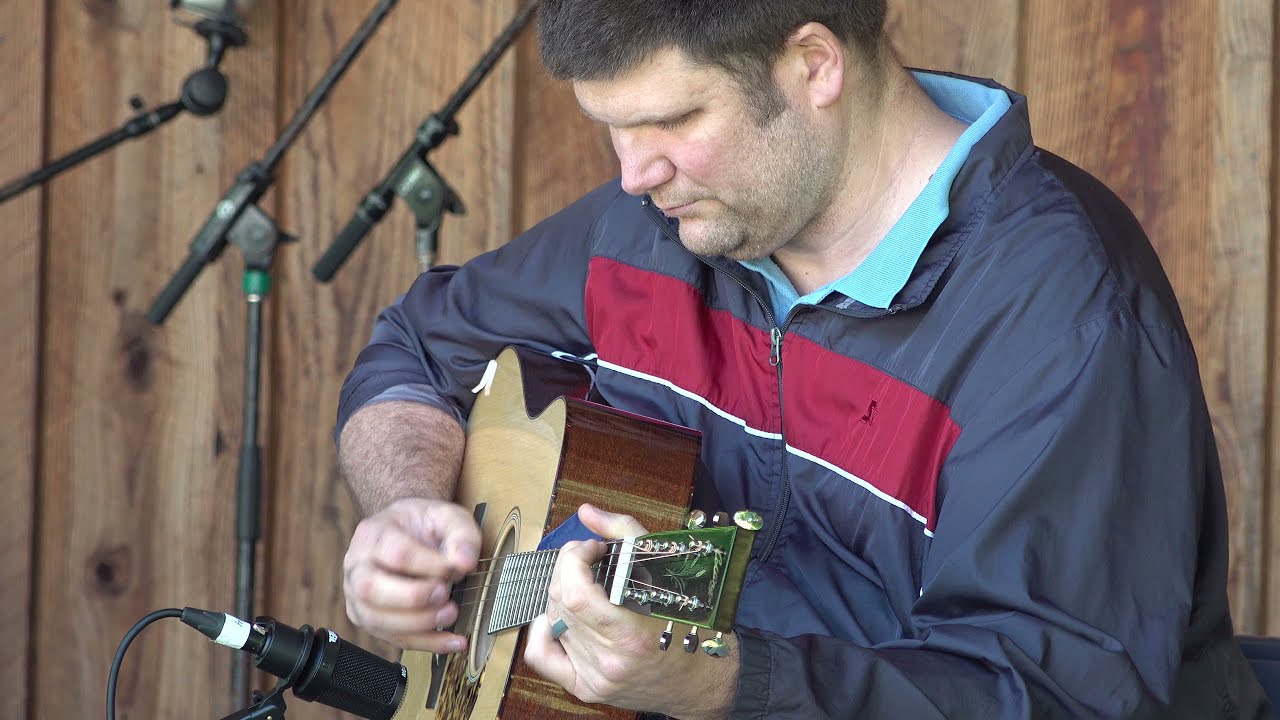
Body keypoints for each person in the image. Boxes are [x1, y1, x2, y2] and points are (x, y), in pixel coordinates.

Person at [334, 1, 1270, 717]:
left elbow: (1054, 694)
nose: (632, 173)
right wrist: (408, 504)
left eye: (675, 118)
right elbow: (420, 346)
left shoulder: (1060, 317)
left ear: (813, 65)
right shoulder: (655, 228)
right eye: (612, 128)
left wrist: (723, 685)